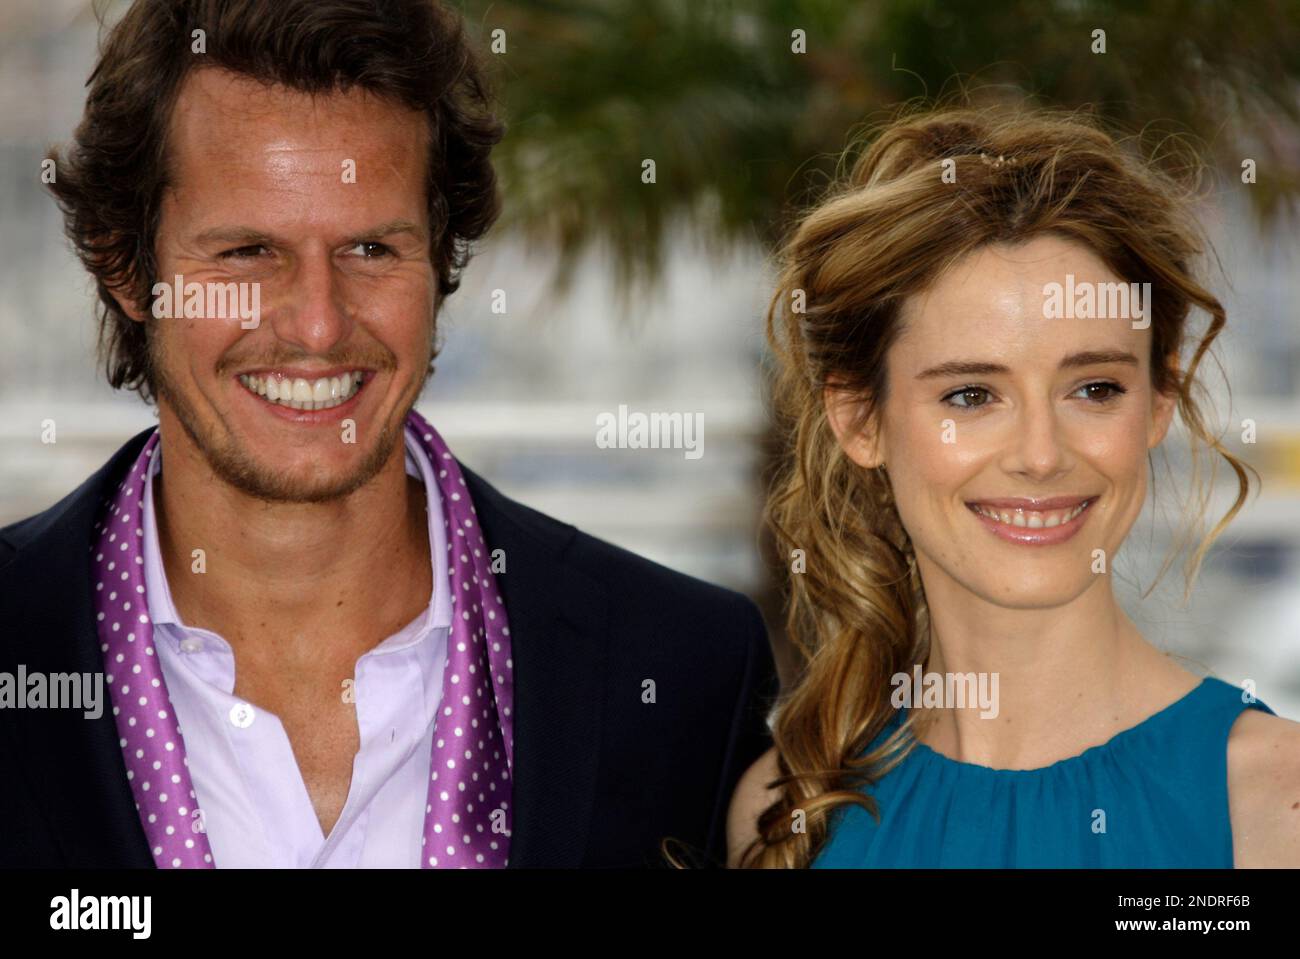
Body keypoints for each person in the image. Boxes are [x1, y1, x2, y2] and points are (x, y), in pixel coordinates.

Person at [0, 0, 777, 869]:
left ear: (441, 260)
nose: (320, 326)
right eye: (248, 251)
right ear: (125, 269)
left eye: (371, 250)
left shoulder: (684, 671)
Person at [727, 104, 1300, 868]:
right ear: (859, 419)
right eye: (971, 394)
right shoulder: (785, 811)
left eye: (1094, 388)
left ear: (1160, 401)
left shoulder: (1275, 804)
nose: (1040, 455)